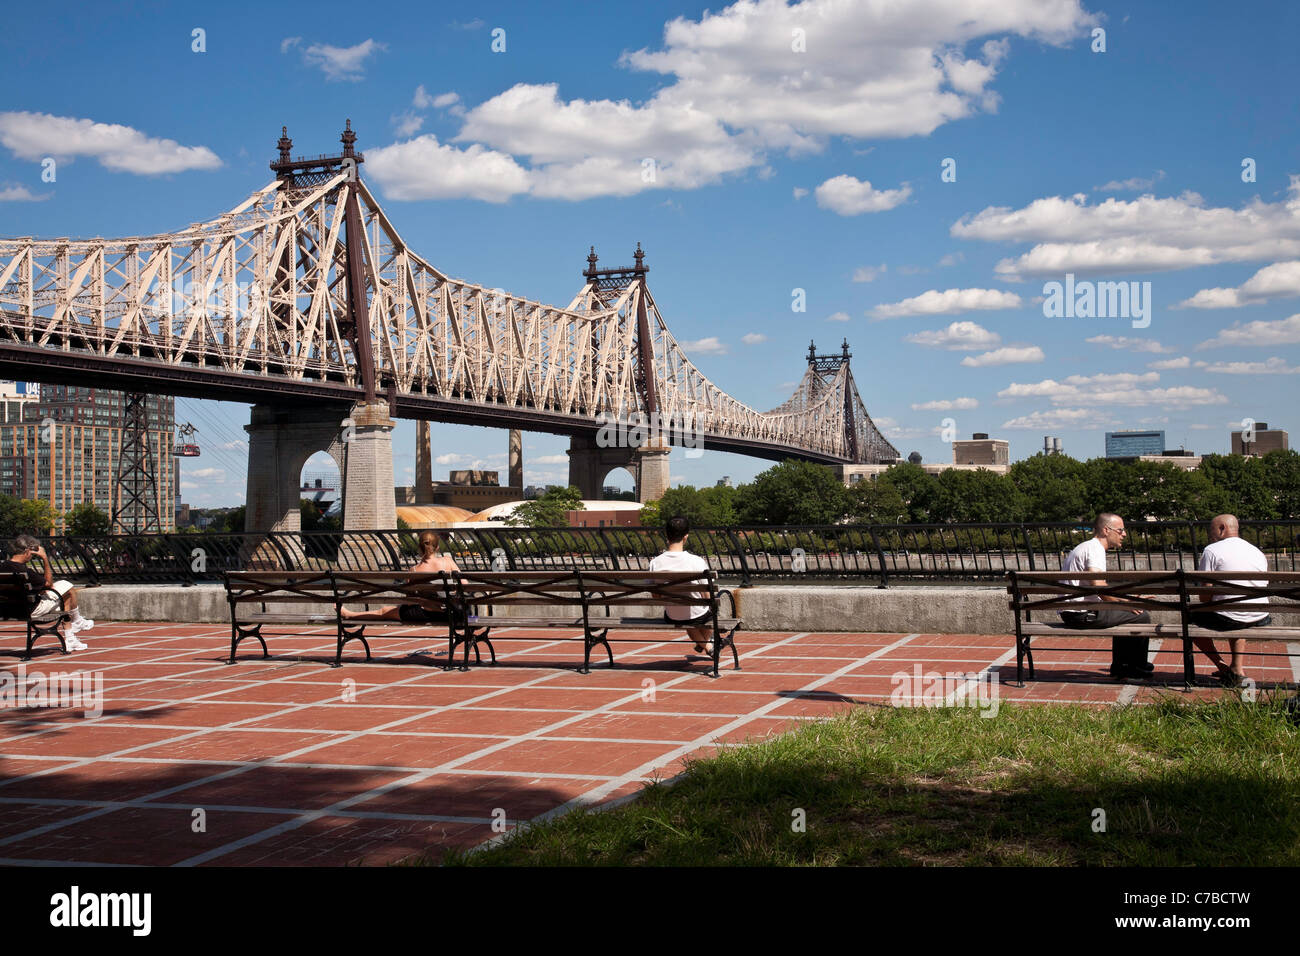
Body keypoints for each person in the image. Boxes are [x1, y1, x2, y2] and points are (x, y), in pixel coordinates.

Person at [1059, 513, 1152, 680]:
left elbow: (1098, 588)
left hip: (1073, 611)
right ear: (1106, 530)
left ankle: (1123, 666)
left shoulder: (1085, 547)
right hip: (1082, 615)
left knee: (1126, 615)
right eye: (1120, 530)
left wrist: (1123, 601)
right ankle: (1135, 667)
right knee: (1141, 617)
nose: (1124, 534)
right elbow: (1098, 586)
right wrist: (1125, 603)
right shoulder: (1095, 549)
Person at [1188, 514, 1270, 687]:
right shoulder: (1256, 551)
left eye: (1211, 530)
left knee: (1188, 620)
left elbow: (1204, 597)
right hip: (1260, 615)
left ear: (1222, 528)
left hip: (1232, 617)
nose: (1210, 535)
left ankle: (1222, 666)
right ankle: (1237, 668)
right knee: (1235, 611)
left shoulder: (1212, 550)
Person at [340, 530, 459, 623]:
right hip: (452, 614)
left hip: (425, 614)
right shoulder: (448, 561)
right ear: (437, 547)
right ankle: (349, 615)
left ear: (420, 548)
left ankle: (349, 615)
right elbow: (464, 584)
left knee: (384, 611)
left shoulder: (414, 570)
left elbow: (410, 600)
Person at [0, 534, 94, 651]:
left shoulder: (2, 566)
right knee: (68, 589)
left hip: (9, 610)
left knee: (64, 591)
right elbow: (48, 584)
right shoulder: (24, 571)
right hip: (32, 610)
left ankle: (74, 630)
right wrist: (45, 558)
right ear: (28, 551)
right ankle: (74, 628)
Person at [648, 516, 713, 656]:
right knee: (708, 613)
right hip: (697, 615)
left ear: (667, 535)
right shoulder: (696, 561)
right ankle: (708, 645)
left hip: (672, 615)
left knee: (686, 619)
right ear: (686, 537)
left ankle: (702, 644)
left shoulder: (655, 563)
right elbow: (707, 595)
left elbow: (655, 595)